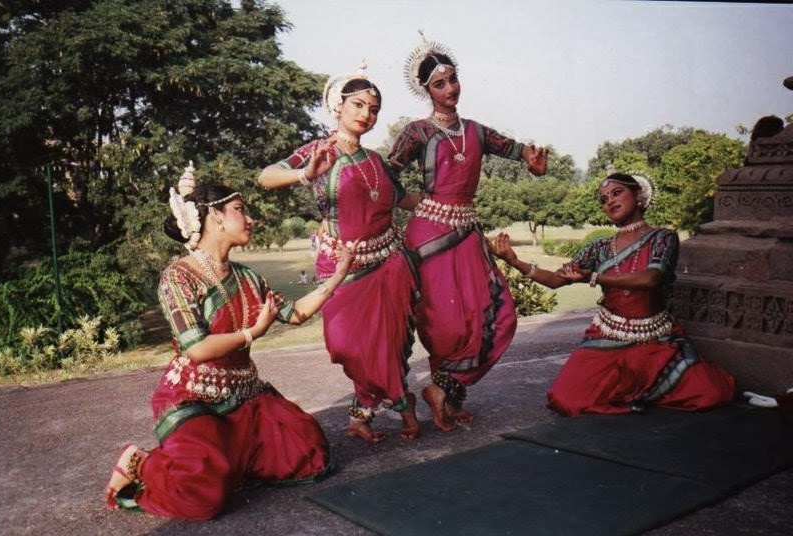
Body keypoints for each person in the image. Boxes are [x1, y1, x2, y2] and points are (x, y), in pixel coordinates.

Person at [104, 172, 354, 520]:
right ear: (215, 217)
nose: (250, 219)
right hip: (195, 398)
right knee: (201, 495)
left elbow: (294, 313)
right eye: (240, 209)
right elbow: (196, 348)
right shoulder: (178, 277)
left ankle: (230, 462)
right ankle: (141, 464)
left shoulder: (247, 277)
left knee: (309, 452)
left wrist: (339, 273)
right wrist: (252, 333)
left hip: (246, 396)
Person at [387, 33, 549, 431]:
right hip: (430, 238)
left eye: (453, 79)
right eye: (439, 83)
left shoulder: (477, 132)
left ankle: (442, 390)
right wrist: (419, 203)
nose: (450, 88)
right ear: (427, 90)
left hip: (468, 236)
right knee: (445, 323)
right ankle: (448, 396)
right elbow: (384, 178)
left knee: (497, 315)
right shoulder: (417, 133)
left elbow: (520, 151)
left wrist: (533, 163)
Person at [258, 62, 421, 443]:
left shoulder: (376, 161)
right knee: (347, 345)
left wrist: (445, 199)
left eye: (374, 109)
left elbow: (402, 198)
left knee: (386, 345)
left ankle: (381, 411)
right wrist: (306, 174)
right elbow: (266, 177)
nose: (367, 115)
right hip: (341, 269)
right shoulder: (318, 151)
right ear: (338, 105)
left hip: (388, 263)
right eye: (358, 105)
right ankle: (397, 401)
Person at [490, 172, 736, 416]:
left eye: (617, 193)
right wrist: (514, 261)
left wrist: (594, 277)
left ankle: (639, 390)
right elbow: (556, 280)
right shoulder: (598, 248)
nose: (610, 201)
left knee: (712, 393)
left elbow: (651, 278)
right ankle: (633, 393)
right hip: (608, 335)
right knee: (564, 399)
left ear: (638, 195)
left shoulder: (663, 238)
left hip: (656, 338)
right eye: (604, 199)